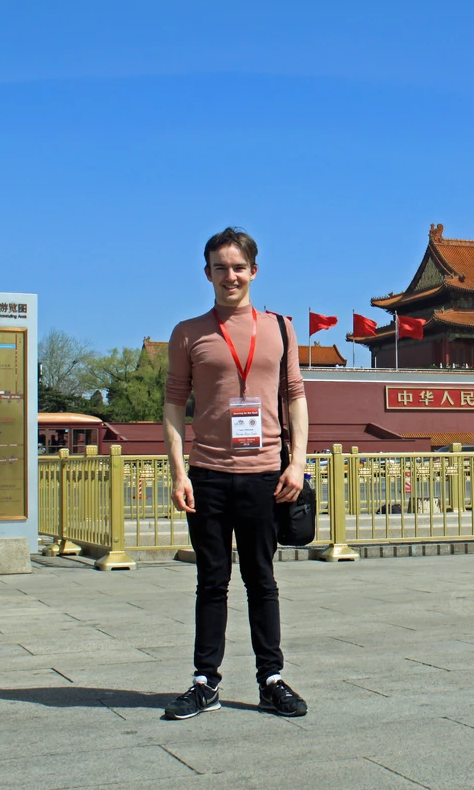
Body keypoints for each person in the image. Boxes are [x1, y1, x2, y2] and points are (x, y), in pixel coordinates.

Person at [161, 227, 309, 720]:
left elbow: (295, 396)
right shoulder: (188, 332)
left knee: (262, 580)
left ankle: (271, 679)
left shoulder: (281, 328)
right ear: (207, 274)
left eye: (238, 267)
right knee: (211, 581)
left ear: (254, 271)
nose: (230, 276)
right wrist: (179, 472)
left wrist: (297, 462)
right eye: (220, 268)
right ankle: (205, 681)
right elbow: (173, 404)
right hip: (207, 474)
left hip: (266, 474)